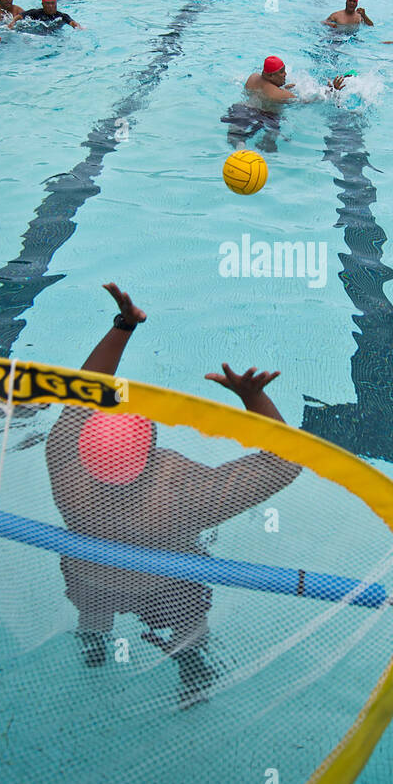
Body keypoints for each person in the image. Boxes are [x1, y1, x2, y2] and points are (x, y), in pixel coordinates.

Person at [46, 282, 300, 690]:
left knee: (92, 614)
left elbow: (82, 391)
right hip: (165, 587)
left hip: (90, 577)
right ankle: (193, 666)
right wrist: (255, 401)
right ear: (150, 450)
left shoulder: (66, 469)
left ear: (84, 443)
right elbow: (284, 465)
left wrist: (122, 327)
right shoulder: (182, 492)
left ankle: (94, 647)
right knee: (188, 622)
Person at [9, 0, 82, 30]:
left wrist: (77, 26)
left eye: (52, 3)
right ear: (43, 4)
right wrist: (12, 22)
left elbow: (72, 22)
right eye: (47, 4)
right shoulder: (35, 13)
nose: (50, 6)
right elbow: (20, 16)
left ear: (56, 4)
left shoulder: (62, 16)